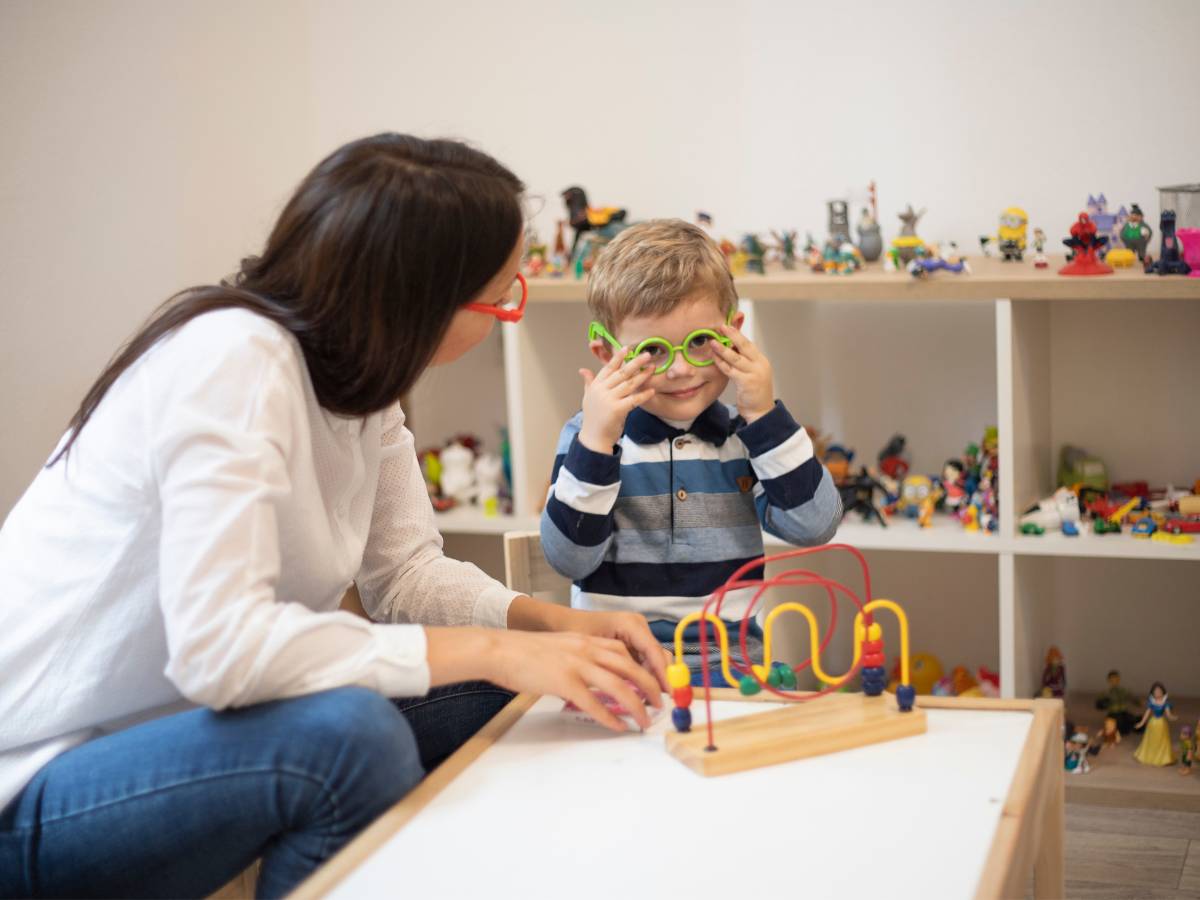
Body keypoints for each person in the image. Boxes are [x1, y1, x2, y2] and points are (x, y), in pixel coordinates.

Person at [0, 133, 669, 899]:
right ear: (423, 300)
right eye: (503, 294)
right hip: (36, 775)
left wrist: (545, 626)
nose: (508, 314)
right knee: (352, 737)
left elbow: (406, 577)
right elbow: (221, 652)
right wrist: (494, 645)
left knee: (503, 695)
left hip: (182, 738)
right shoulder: (235, 360)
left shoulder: (361, 386)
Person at [539, 219, 842, 686]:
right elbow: (569, 560)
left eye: (701, 342)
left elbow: (816, 525)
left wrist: (764, 415)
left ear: (735, 333)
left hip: (733, 676)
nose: (681, 370)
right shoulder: (589, 438)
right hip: (618, 672)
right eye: (653, 351)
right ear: (605, 352)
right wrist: (598, 442)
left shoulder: (752, 435)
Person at [1133, 681, 1177, 767]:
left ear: (1163, 692)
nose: (1157, 693)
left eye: (1159, 691)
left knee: (1162, 741)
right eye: (1155, 692)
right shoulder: (1152, 702)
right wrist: (1141, 723)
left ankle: (1163, 757)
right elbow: (1147, 713)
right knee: (1151, 740)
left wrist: (1172, 717)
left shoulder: (1165, 703)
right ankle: (1149, 755)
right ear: (1152, 693)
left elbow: (1168, 714)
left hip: (1161, 723)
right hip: (1152, 723)